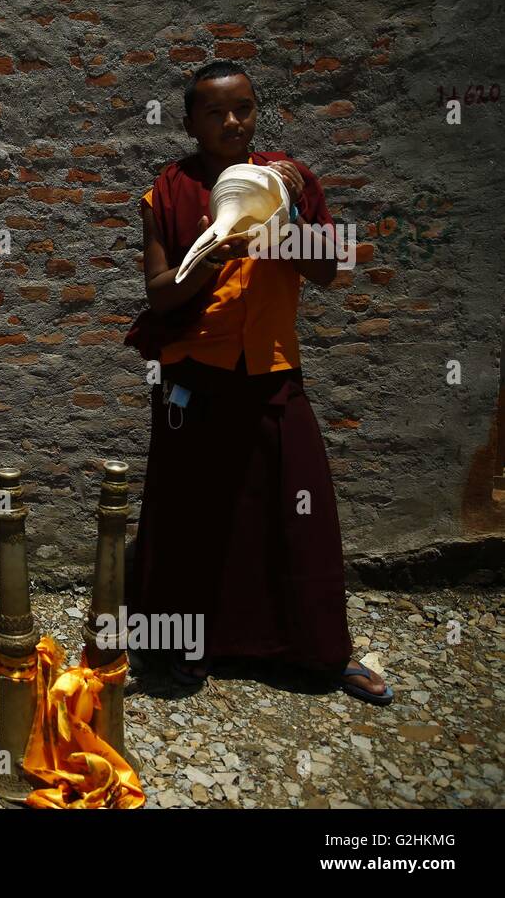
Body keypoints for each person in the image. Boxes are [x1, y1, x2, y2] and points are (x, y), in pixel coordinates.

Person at [123, 61, 391, 705]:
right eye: (214, 112)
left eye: (242, 108)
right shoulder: (169, 191)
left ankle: (322, 652)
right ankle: (185, 648)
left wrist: (286, 224)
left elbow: (328, 271)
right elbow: (159, 298)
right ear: (190, 123)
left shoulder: (287, 181)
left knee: (300, 509)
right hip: (196, 373)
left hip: (272, 368)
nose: (231, 122)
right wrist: (206, 260)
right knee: (194, 515)